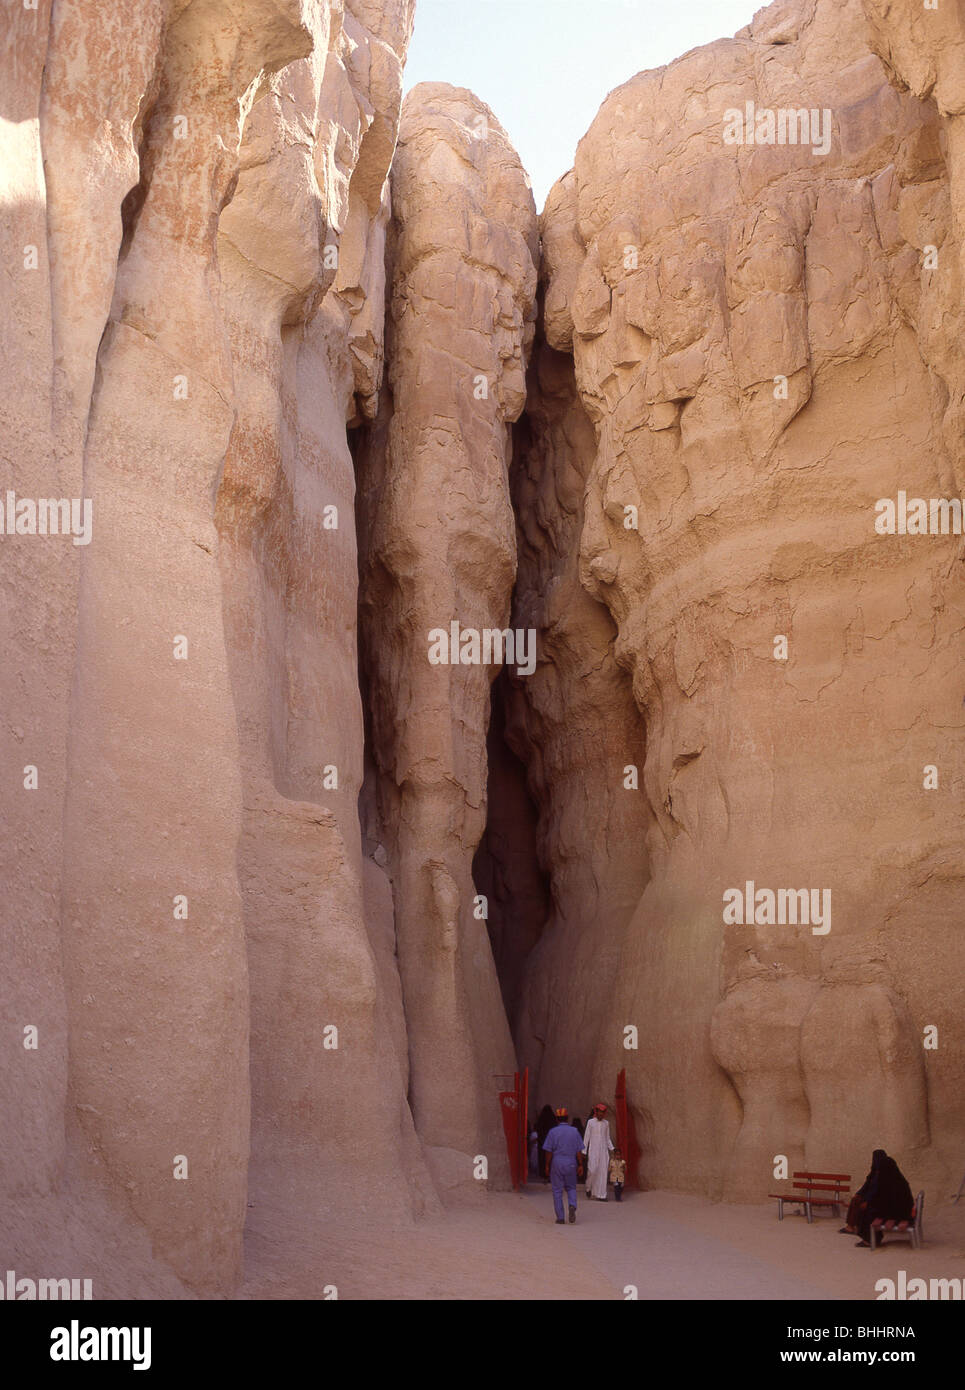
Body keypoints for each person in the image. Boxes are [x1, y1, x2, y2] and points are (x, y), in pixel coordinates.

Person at [844, 1149, 914, 1248]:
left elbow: (885, 1198)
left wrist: (869, 1204)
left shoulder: (891, 1181)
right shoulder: (893, 1177)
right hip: (900, 1210)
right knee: (864, 1205)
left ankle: (869, 1240)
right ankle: (853, 1228)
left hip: (899, 1213)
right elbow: (875, 1192)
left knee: (868, 1211)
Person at [542, 1108, 585, 1224]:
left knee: (557, 1191)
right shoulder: (575, 1131)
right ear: (568, 1118)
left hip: (557, 1163)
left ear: (557, 1119)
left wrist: (547, 1165)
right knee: (571, 1188)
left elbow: (548, 1151)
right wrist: (580, 1164)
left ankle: (560, 1217)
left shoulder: (553, 1132)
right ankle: (572, 1205)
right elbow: (578, 1151)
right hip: (571, 1162)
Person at [583, 1102, 614, 1200]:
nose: (601, 1114)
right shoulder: (591, 1122)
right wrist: (584, 1151)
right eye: (599, 1112)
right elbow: (586, 1137)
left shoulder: (606, 1123)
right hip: (593, 1151)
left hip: (603, 1151)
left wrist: (612, 1149)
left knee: (603, 1172)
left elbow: (607, 1138)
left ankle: (601, 1195)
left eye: (603, 1113)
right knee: (592, 1170)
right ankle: (588, 1187)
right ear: (596, 1112)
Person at [536, 1104, 556, 1182]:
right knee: (551, 1158)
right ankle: (550, 1175)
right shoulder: (553, 1119)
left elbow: (538, 1128)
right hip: (551, 1142)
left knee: (542, 1158)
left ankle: (543, 1174)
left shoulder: (541, 1119)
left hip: (542, 1142)